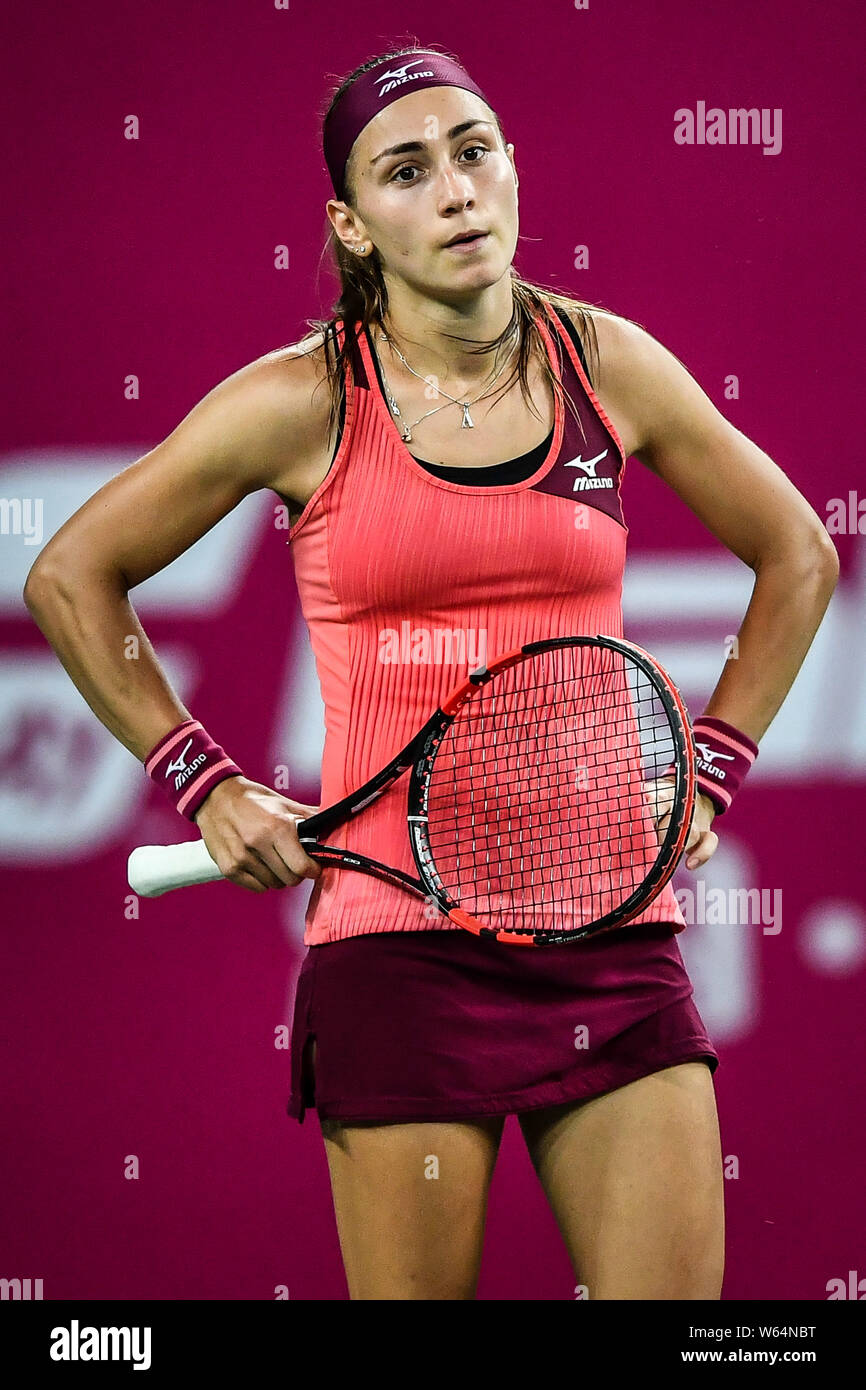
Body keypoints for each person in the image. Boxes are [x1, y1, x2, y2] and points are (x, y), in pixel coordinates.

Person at [24, 43, 839, 1300]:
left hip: (611, 940)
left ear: (511, 170)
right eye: (406, 170)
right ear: (351, 225)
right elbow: (71, 573)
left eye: (474, 151)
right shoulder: (299, 401)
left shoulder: (604, 364)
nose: (455, 189)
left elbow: (796, 551)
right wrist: (204, 781)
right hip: (395, 953)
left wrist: (710, 774)